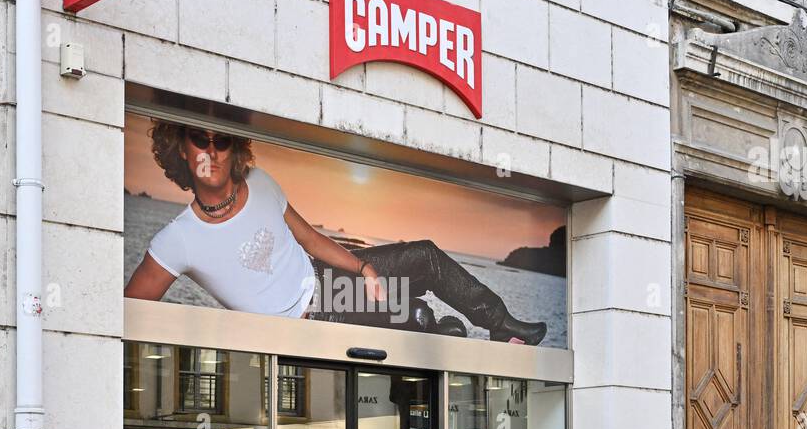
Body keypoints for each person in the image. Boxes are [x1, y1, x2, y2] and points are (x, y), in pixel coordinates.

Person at [124, 121, 547, 344]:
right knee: (415, 317)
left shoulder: (261, 182)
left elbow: (309, 239)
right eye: (200, 140)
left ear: (235, 148)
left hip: (329, 280)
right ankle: (436, 326)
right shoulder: (177, 239)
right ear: (181, 149)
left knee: (425, 256)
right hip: (313, 322)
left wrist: (363, 266)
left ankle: (498, 323)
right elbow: (129, 315)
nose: (212, 151)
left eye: (223, 141)